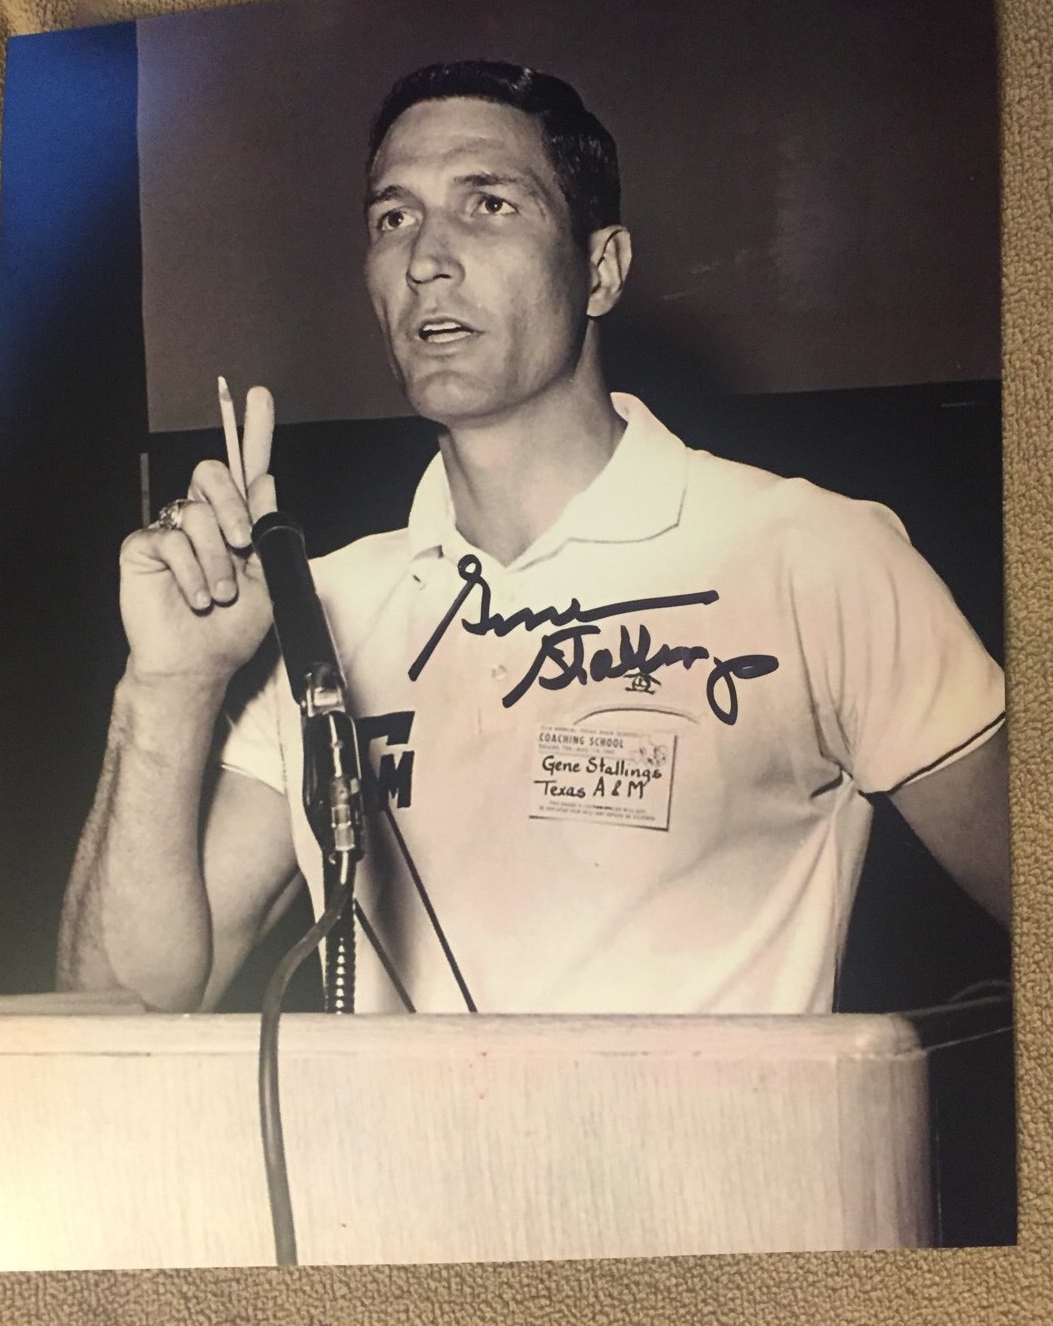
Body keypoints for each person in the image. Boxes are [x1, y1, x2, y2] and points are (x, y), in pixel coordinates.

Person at [56, 61, 1009, 1016]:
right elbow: (120, 1010)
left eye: (488, 204)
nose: (426, 256)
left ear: (601, 267)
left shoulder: (817, 557)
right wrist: (166, 689)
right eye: (394, 217)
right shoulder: (322, 614)